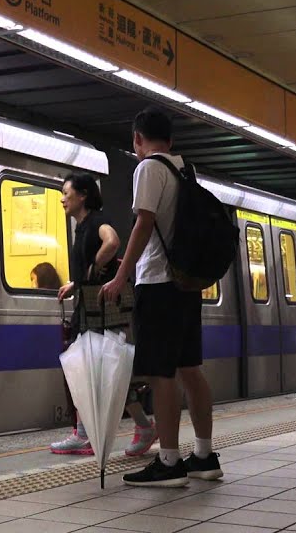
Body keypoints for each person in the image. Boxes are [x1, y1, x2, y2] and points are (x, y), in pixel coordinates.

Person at [101, 107, 220, 487]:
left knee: (160, 373)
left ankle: (169, 461)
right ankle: (203, 456)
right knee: (190, 369)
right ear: (170, 138)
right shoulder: (184, 169)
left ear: (138, 138)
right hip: (186, 285)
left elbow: (144, 221)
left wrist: (122, 275)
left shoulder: (149, 168)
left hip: (158, 285)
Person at [50, 173, 156, 457]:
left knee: (108, 371)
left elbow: (113, 241)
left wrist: (96, 264)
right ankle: (87, 432)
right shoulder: (81, 228)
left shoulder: (95, 221)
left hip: (104, 311)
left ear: (82, 195)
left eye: (66, 193)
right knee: (90, 369)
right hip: (89, 307)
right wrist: (77, 283)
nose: (62, 198)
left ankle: (137, 428)